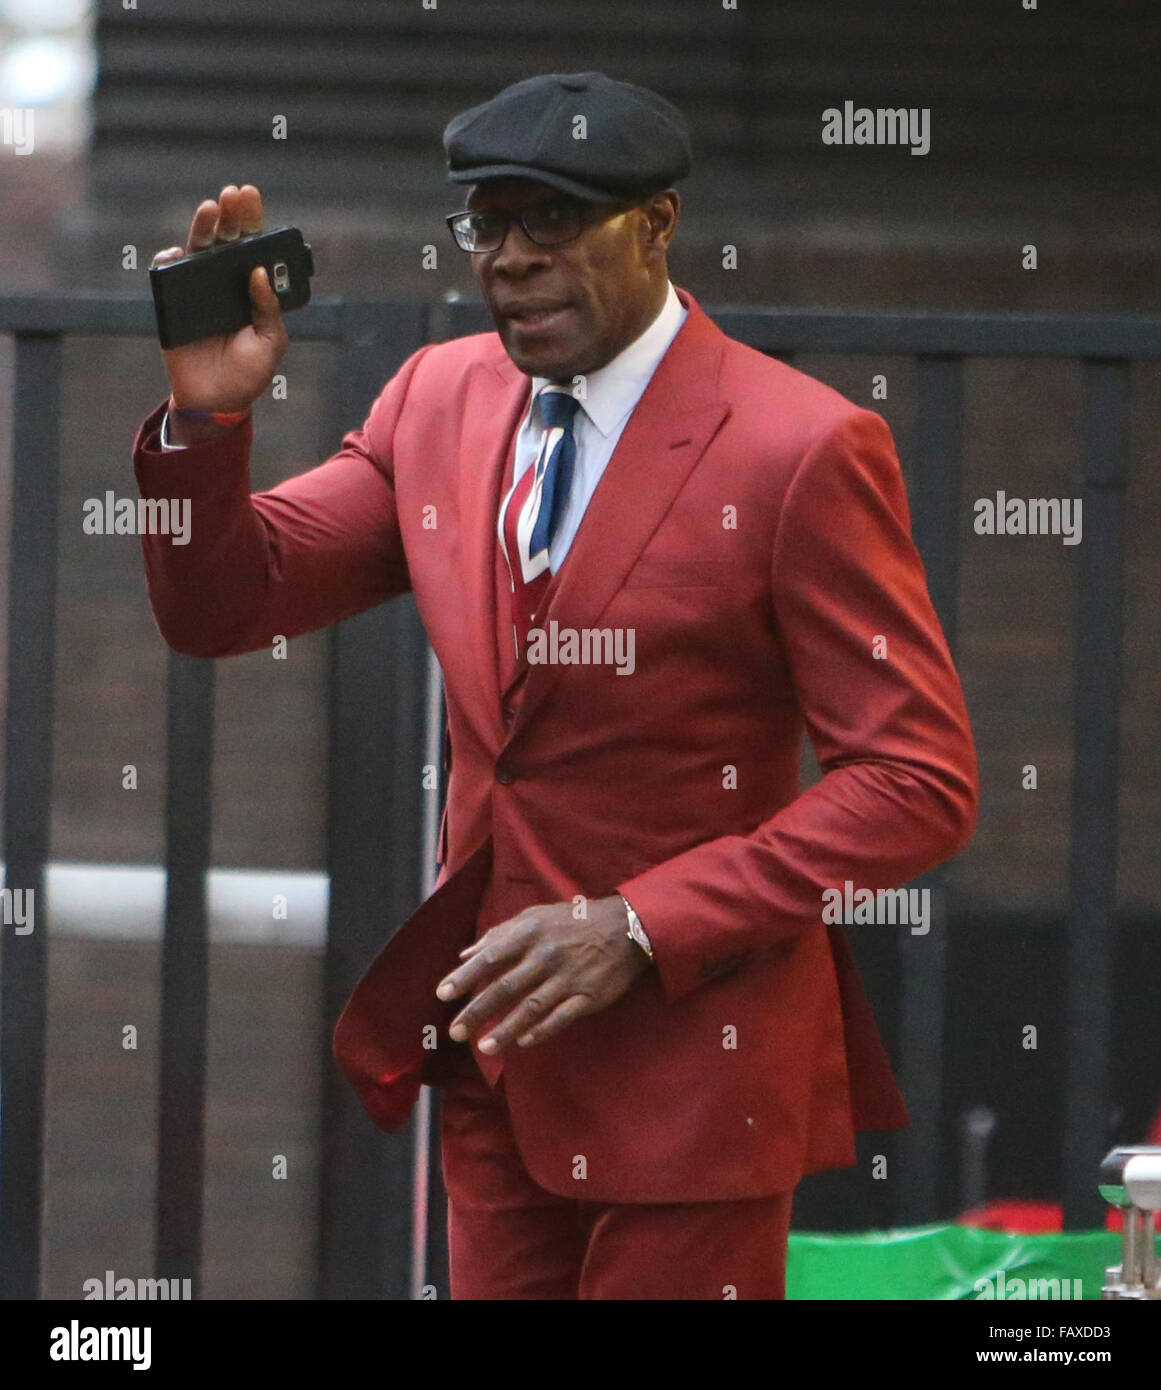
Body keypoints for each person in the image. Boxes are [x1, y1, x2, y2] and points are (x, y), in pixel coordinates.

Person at [134, 71, 978, 1300]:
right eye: (491, 222)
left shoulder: (803, 448)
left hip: (698, 1076)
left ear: (657, 223)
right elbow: (229, 605)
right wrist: (204, 428)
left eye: (555, 220)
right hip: (500, 1063)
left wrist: (639, 922)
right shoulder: (439, 396)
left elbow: (919, 782)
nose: (513, 259)